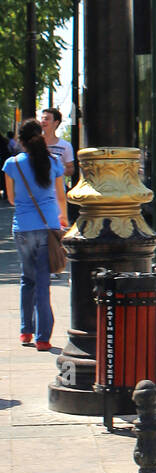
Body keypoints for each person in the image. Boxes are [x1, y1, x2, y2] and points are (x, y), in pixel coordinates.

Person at [4, 119, 67, 352]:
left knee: (26, 279)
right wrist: (64, 221)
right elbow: (61, 197)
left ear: (20, 140)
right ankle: (43, 338)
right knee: (43, 282)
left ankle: (25, 331)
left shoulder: (12, 164)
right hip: (48, 224)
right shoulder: (54, 162)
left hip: (23, 227)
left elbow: (11, 199)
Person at [40, 105, 74, 178]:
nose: (43, 121)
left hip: (57, 188)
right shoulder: (34, 143)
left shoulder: (65, 146)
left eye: (46, 119)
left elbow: (70, 169)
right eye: (42, 118)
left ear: (56, 122)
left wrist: (57, 170)